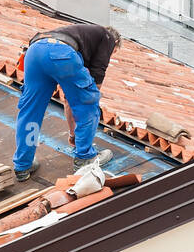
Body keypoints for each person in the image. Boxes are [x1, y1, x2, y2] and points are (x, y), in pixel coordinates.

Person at [13, 23, 121, 182]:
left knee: (31, 112)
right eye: (112, 54)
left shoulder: (81, 35)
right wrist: (89, 96)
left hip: (35, 51)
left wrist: (73, 134)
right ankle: (85, 158)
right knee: (90, 103)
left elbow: (69, 100)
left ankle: (23, 165)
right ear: (115, 44)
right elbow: (88, 95)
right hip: (60, 53)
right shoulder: (108, 37)